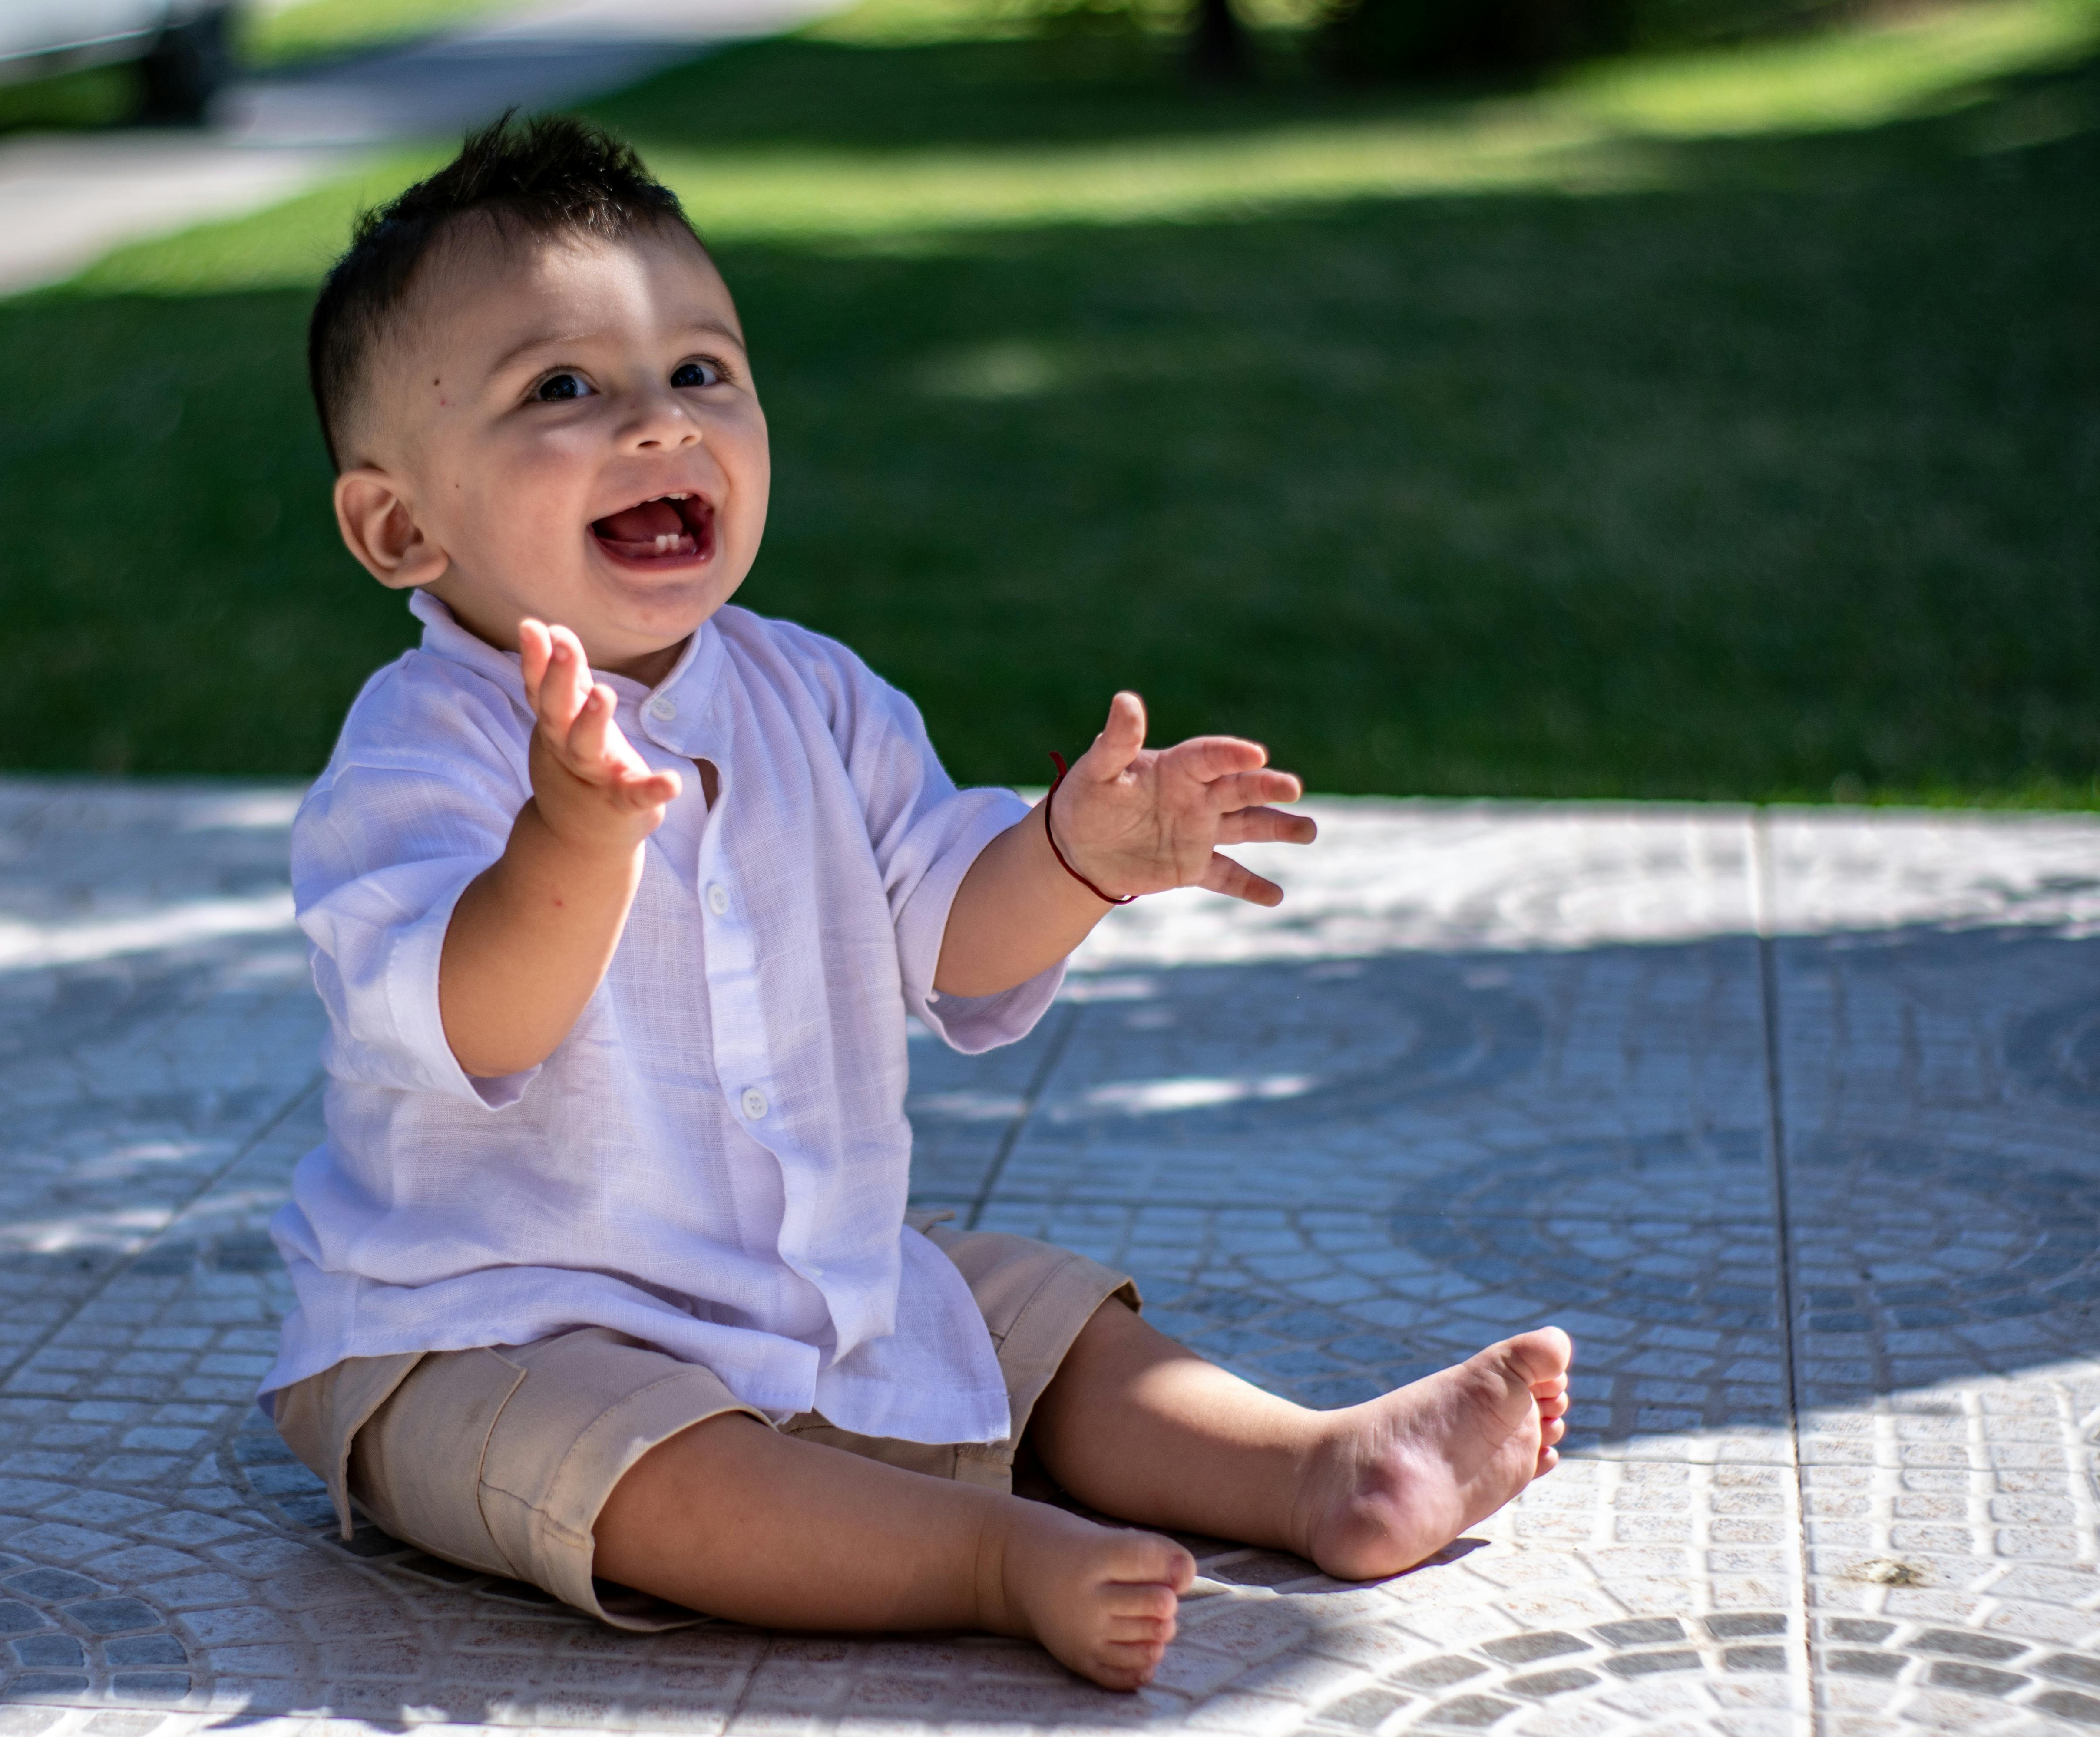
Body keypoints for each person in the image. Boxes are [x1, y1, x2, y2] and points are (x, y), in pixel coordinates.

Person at [260, 113, 1571, 1691]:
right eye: (564, 388)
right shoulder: (420, 754)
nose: (662, 424)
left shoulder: (814, 695)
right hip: (491, 1321)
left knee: (1037, 1316)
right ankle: (982, 1556)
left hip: (806, 1273)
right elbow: (476, 1017)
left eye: (701, 371)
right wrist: (572, 842)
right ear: (401, 525)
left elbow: (945, 934)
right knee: (619, 1465)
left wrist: (1072, 861)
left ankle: (1317, 1466)